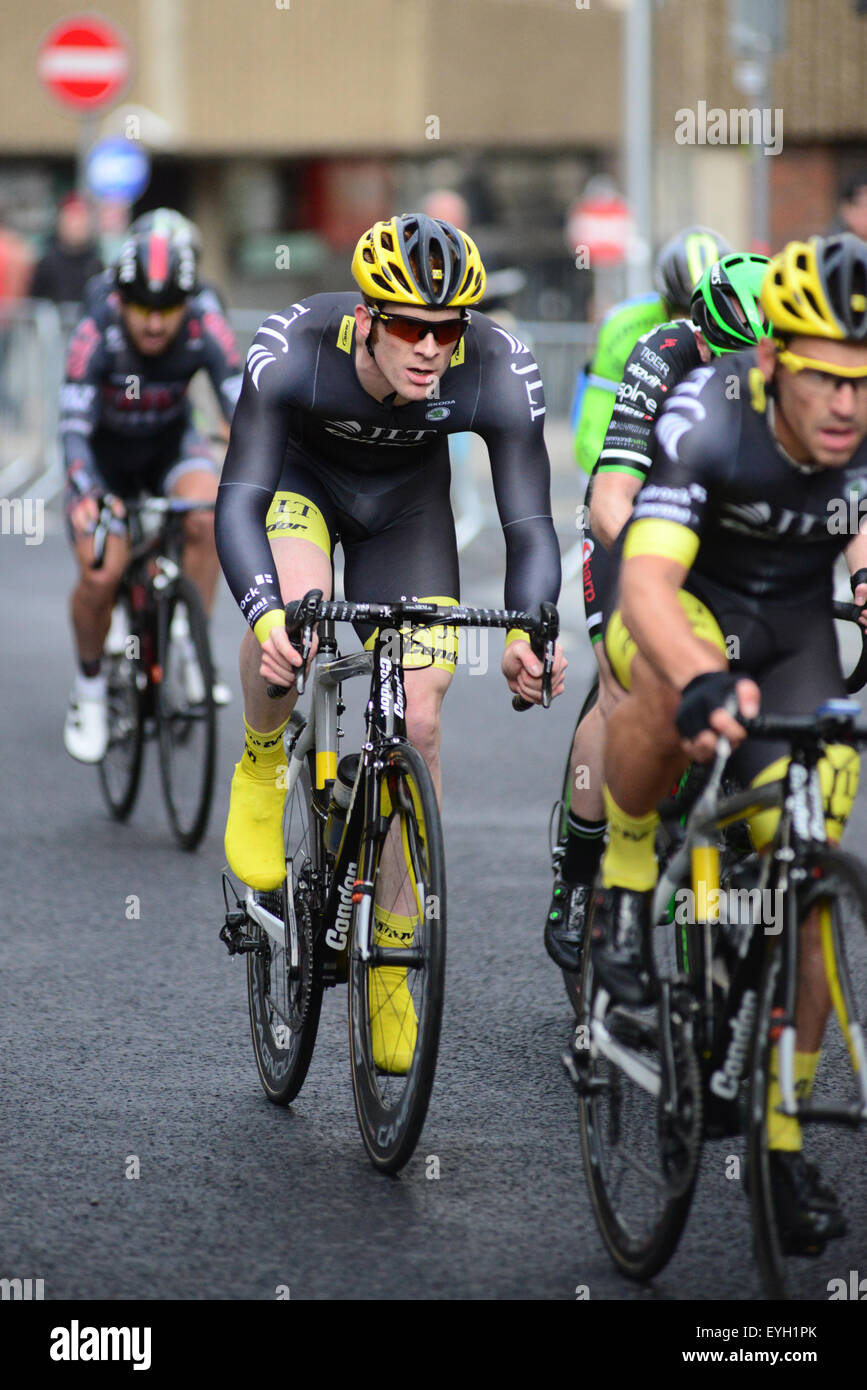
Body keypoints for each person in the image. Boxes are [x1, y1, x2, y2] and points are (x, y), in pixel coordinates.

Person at [214, 212, 566, 1071]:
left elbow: (528, 522)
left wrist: (533, 628)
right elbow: (236, 500)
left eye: (447, 330)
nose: (430, 349)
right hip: (299, 485)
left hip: (406, 512)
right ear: (367, 318)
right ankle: (264, 763)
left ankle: (393, 960)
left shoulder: (496, 364)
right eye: (408, 325)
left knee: (418, 720)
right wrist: (265, 619)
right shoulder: (295, 345)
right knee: (299, 622)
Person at [589, 233, 867, 1249]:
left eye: (863, 381)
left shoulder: (861, 424)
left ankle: (780, 1141)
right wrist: (702, 674)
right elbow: (648, 580)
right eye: (825, 378)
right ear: (772, 362)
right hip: (688, 607)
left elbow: (863, 517)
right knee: (666, 692)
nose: (845, 404)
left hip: (795, 630)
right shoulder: (707, 417)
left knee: (806, 885)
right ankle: (622, 884)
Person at [546, 252, 772, 970]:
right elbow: (609, 496)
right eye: (728, 361)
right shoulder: (660, 351)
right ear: (700, 337)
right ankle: (581, 873)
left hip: (720, 535)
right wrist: (655, 569)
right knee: (624, 685)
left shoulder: (792, 374)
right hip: (634, 524)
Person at [62, 208, 243, 763]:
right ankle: (90, 692)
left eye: (168, 307)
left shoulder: (205, 324)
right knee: (102, 571)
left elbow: (242, 406)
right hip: (105, 457)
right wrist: (87, 490)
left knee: (210, 513)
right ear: (121, 299)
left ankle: (188, 641)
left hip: (169, 447)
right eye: (143, 306)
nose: (156, 322)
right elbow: (71, 430)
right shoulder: (97, 330)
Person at [571, 226, 733, 475]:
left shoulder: (750, 332)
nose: (693, 328)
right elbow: (590, 438)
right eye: (683, 312)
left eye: (707, 316)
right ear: (664, 303)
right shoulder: (622, 327)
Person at [30, 194, 102, 308]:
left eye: (81, 218)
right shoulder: (47, 262)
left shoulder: (97, 262)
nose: (77, 224)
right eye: (72, 218)